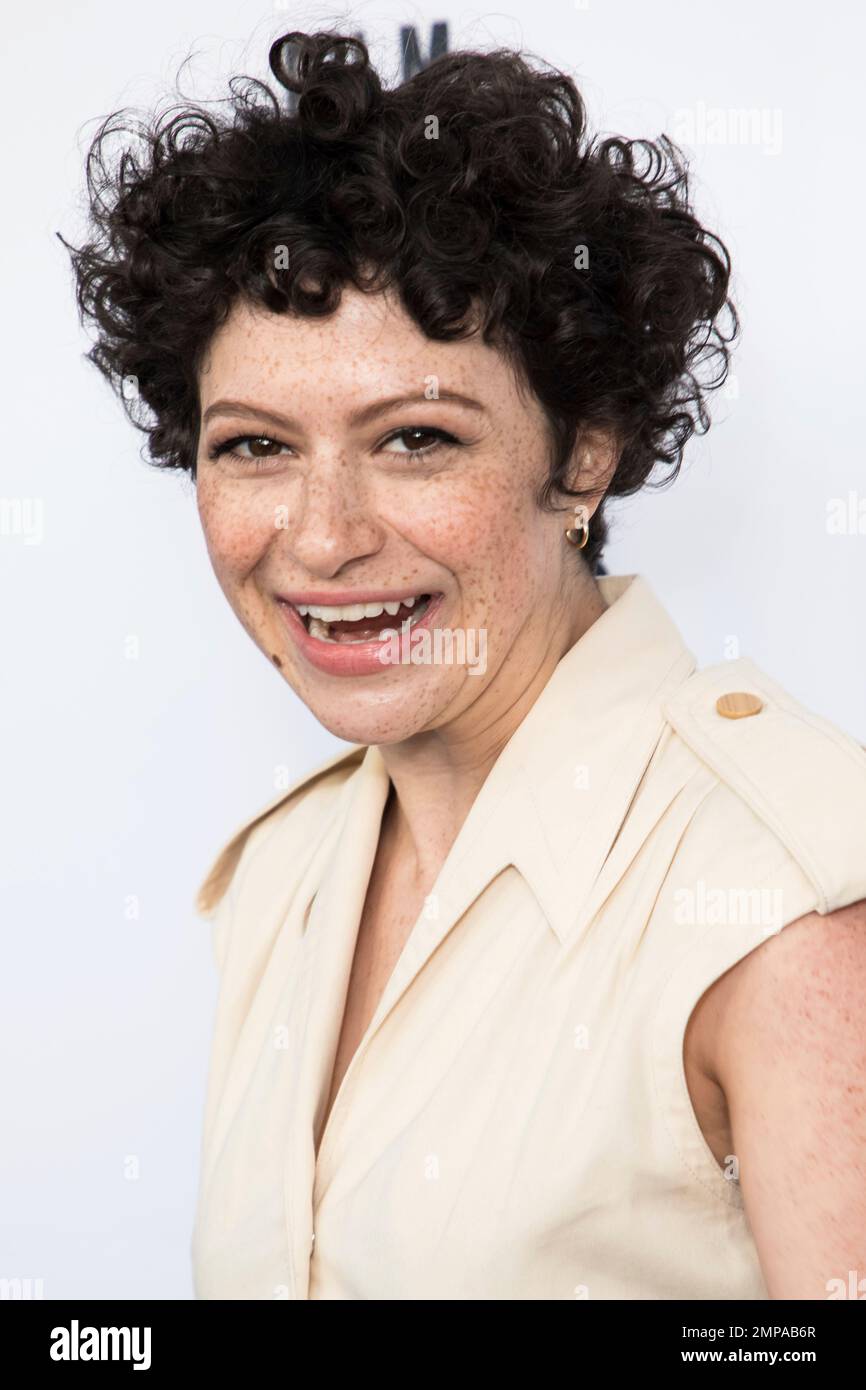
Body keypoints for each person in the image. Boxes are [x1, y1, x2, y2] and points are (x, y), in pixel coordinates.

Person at [64, 29, 866, 1300]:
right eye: (256, 446)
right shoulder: (284, 875)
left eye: (417, 438)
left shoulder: (779, 900)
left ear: (584, 455)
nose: (321, 539)